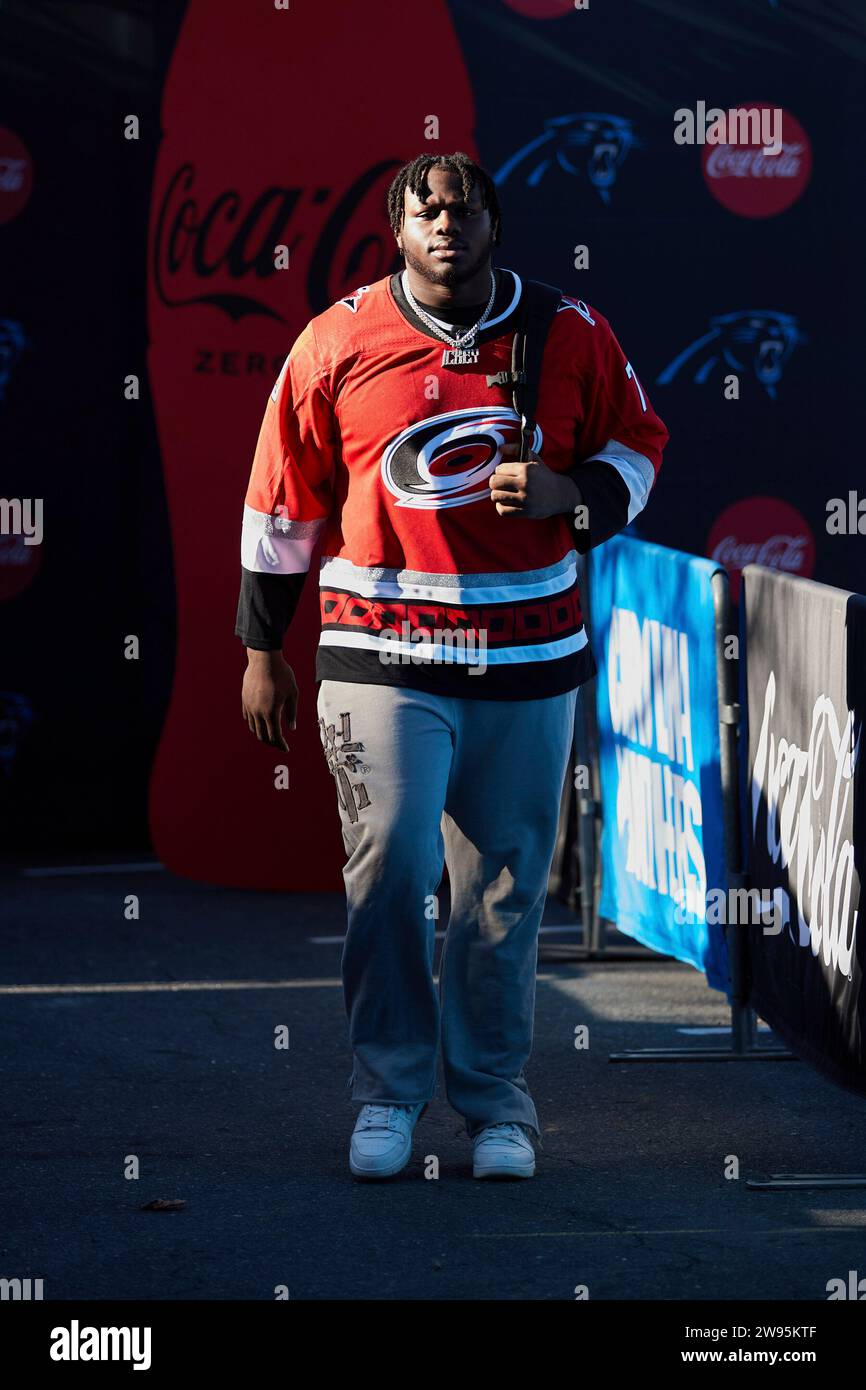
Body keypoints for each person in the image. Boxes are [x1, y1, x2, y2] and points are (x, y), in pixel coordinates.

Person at [235, 151, 668, 1181]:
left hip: (528, 654)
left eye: (461, 208)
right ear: (393, 231)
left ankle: (494, 1106)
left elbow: (640, 446)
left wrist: (570, 493)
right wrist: (261, 650)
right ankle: (386, 1090)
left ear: (491, 226)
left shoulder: (570, 331)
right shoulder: (335, 337)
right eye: (422, 210)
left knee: (503, 891)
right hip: (382, 651)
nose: (443, 224)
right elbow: (279, 502)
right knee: (390, 866)